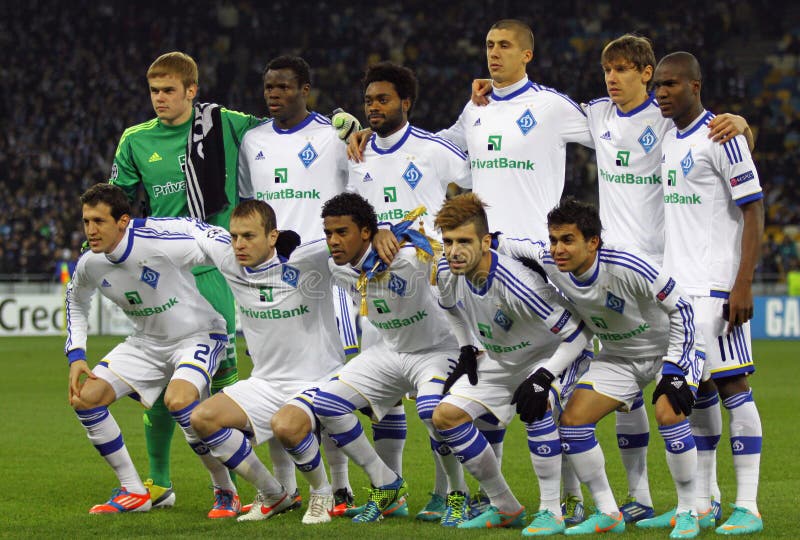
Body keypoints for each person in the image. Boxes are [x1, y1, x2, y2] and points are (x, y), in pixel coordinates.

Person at [497, 198, 708, 537]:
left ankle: (688, 512)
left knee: (669, 412)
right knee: (573, 421)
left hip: (667, 350)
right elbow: (499, 241)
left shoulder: (629, 264)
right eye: (553, 240)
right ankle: (609, 512)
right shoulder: (549, 260)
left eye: (567, 240)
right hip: (618, 356)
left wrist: (675, 369)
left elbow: (681, 308)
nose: (557, 249)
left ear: (592, 242)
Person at [108, 51, 260, 515]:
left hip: (216, 268)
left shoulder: (224, 124)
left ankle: (230, 488)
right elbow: (117, 201)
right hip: (166, 273)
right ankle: (159, 482)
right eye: (154, 91)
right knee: (164, 383)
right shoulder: (136, 140)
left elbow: (281, 128)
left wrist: (340, 124)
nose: (160, 99)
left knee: (223, 384)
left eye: (169, 90)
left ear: (192, 91)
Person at [149, 199, 346, 524]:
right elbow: (190, 227)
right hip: (266, 383)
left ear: (272, 236)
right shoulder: (229, 258)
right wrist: (135, 229)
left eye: (249, 236)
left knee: (285, 425)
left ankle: (321, 492)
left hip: (316, 380)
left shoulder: (308, 259)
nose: (239, 244)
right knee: (202, 419)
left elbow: (352, 240)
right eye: (235, 236)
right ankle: (273, 493)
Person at [343, 61, 472, 521]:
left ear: (406, 103)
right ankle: (390, 488)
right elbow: (358, 217)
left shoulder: (435, 150)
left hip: (429, 290)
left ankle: (447, 491)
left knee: (435, 400)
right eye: (369, 101)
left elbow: (476, 193)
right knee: (384, 400)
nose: (374, 108)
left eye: (383, 99)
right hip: (378, 294)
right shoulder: (357, 156)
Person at [65, 183, 235, 515]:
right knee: (84, 398)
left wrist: (244, 268)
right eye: (86, 221)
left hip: (198, 336)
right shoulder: (90, 262)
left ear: (123, 221)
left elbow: (206, 236)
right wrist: (77, 355)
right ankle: (133, 490)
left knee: (182, 404)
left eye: (99, 221)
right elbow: (75, 302)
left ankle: (225, 489)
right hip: (147, 343)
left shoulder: (156, 240)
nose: (91, 230)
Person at [236, 54, 357, 513]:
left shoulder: (334, 135)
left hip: (325, 275)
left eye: (283, 87)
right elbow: (251, 205)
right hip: (269, 282)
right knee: (271, 379)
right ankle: (283, 490)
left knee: (330, 386)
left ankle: (340, 485)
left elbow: (358, 186)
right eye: (268, 87)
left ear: (305, 89)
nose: (273, 94)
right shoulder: (253, 140)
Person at [432, 193, 592, 533]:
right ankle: (504, 506)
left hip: (552, 355)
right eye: (447, 241)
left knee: (537, 408)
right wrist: (465, 350)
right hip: (501, 360)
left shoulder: (519, 283)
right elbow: (452, 311)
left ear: (486, 241)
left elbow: (577, 335)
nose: (453, 251)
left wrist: (544, 376)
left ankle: (552, 511)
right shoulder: (446, 269)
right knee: (445, 417)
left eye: (464, 241)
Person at [653, 51, 765, 536]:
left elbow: (755, 209)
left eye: (671, 84)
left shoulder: (723, 136)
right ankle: (702, 502)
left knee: (733, 387)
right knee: (694, 393)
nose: (661, 92)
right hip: (678, 293)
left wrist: (742, 283)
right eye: (658, 84)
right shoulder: (667, 137)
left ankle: (749, 505)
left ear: (695, 86)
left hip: (717, 288)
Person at [313, 192, 472, 525]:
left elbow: (450, 253)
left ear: (367, 233)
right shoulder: (336, 268)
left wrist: (399, 232)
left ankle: (458, 494)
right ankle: (386, 482)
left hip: (437, 350)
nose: (333, 241)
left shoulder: (410, 255)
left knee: (432, 412)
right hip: (392, 350)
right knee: (326, 403)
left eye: (342, 232)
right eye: (329, 233)